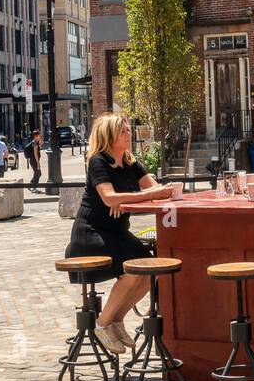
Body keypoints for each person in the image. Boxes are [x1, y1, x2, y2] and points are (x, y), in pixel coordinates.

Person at [64, 113, 173, 354]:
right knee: (131, 273)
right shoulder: (98, 161)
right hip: (91, 232)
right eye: (123, 130)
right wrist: (133, 197)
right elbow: (109, 197)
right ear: (109, 135)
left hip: (117, 230)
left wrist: (143, 194)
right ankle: (102, 323)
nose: (128, 133)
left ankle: (116, 320)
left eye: (127, 130)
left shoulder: (130, 162)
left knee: (149, 271)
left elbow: (153, 188)